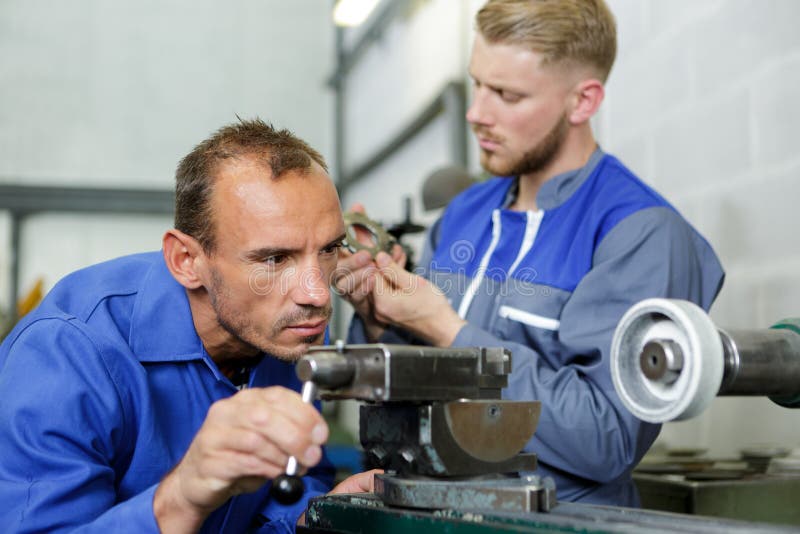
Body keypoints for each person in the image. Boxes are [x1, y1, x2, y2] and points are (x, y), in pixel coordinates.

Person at [337, 0, 724, 506]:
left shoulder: (641, 234)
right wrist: (377, 318)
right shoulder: (463, 215)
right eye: (477, 84)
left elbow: (606, 436)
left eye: (507, 94)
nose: (477, 113)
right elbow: (405, 395)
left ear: (582, 101)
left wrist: (448, 331)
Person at [0, 118, 376, 533]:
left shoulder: (286, 333)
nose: (318, 294)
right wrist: (181, 498)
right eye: (274, 259)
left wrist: (309, 517)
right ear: (186, 261)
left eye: (329, 249)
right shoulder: (67, 354)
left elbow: (286, 489)